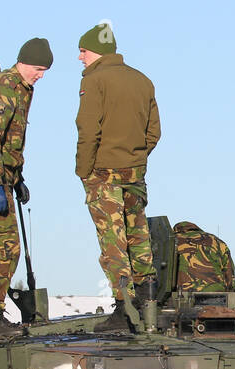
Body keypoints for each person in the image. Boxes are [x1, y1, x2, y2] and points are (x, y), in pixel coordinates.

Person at [0, 37, 54, 341]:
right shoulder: (4, 87)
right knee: (7, 244)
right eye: (39, 69)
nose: (41, 75)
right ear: (25, 62)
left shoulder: (22, 90)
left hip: (0, 175)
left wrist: (18, 177)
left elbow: (11, 141)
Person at [75, 23, 160, 329]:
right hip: (135, 174)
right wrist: (135, 158)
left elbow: (87, 129)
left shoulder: (94, 80)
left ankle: (124, 308)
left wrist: (84, 170)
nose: (80, 57)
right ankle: (148, 301)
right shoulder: (143, 81)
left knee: (113, 242)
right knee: (139, 237)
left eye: (82, 51)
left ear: (95, 51)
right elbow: (154, 133)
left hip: (103, 175)